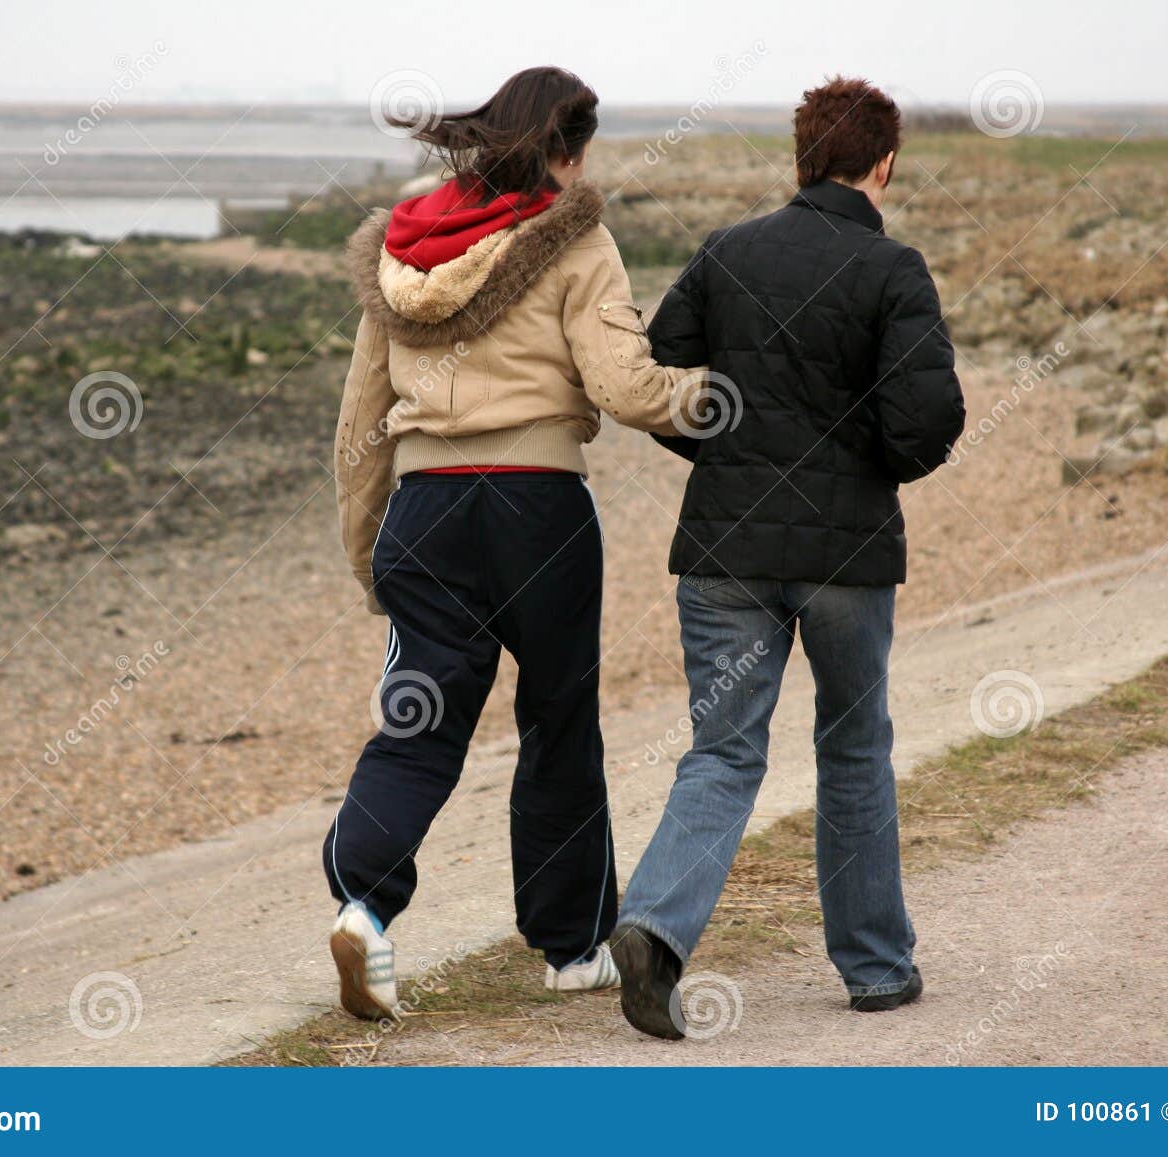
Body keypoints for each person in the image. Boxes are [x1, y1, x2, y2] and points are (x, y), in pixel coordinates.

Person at [323, 66, 704, 1020]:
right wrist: (705, 393)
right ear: (564, 150)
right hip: (538, 509)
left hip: (423, 508)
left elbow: (358, 423)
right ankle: (573, 949)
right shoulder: (578, 237)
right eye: (582, 157)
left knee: (418, 722)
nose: (582, 177)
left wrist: (371, 549)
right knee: (558, 721)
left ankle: (363, 910)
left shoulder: (398, 247)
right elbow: (621, 387)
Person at [610, 77, 966, 1038]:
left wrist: (722, 453)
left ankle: (650, 925)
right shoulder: (894, 270)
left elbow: (661, 376)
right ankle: (878, 971)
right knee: (854, 750)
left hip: (724, 549)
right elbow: (930, 419)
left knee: (723, 753)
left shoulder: (727, 253)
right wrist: (873, 469)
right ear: (883, 164)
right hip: (848, 558)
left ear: (802, 157)